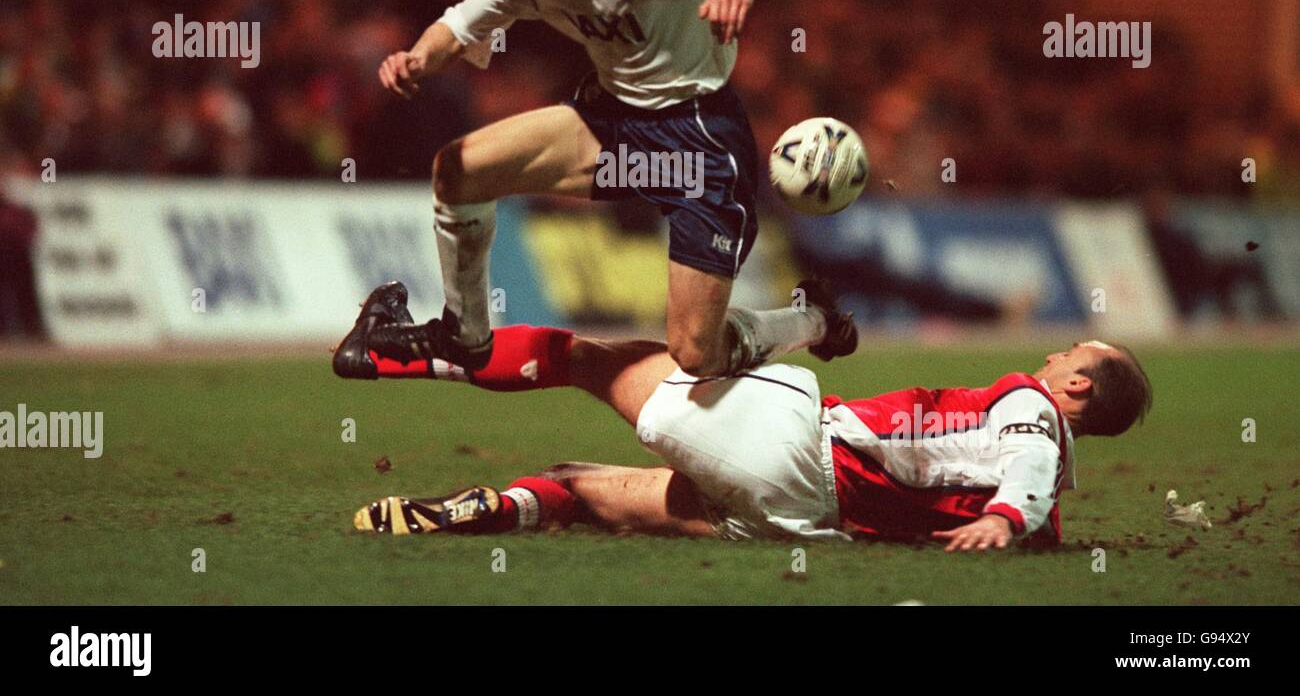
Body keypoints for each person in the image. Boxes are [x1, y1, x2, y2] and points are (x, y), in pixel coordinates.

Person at [367, 0, 844, 378]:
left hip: (698, 137)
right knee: (459, 170)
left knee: (697, 354)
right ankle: (465, 335)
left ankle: (813, 318)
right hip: (612, 120)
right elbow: (463, 22)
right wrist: (419, 56)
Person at [334, 283, 1153, 550]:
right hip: (799, 519)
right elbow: (1032, 493)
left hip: (801, 445)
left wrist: (1006, 517)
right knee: (578, 489)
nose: (1054, 358)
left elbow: (1029, 468)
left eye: (1072, 357)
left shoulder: (1030, 411)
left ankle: (390, 351)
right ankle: (469, 512)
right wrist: (1017, 525)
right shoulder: (1047, 517)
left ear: (1077, 391)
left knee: (590, 357)